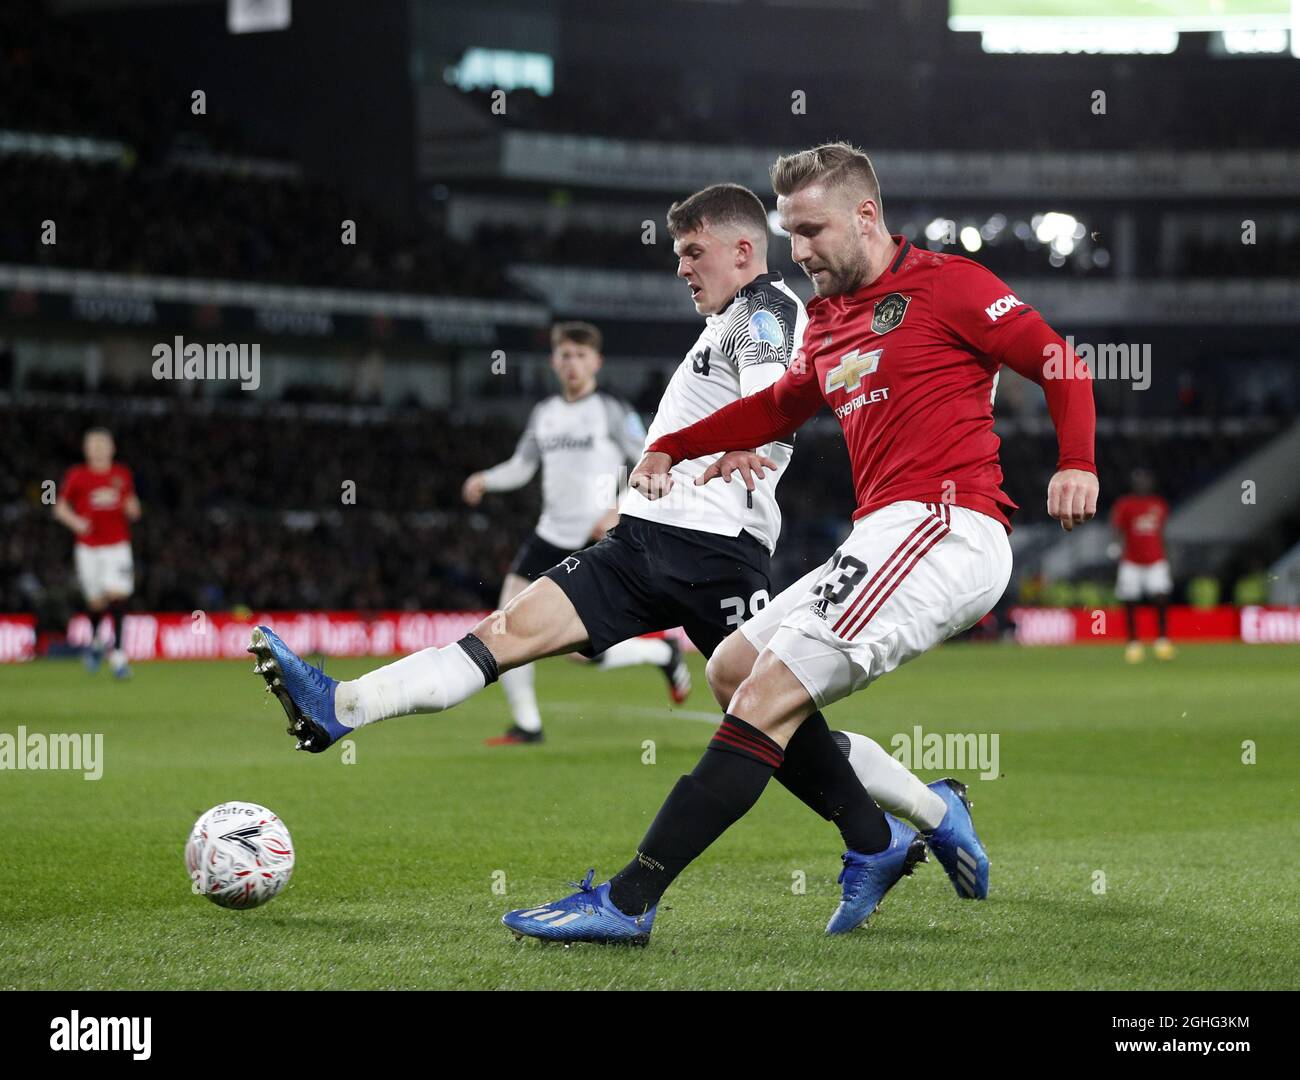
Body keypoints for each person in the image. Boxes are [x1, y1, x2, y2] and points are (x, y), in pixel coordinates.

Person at [248, 183, 988, 903]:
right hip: (642, 546)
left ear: (742, 249)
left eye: (692, 251)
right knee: (501, 635)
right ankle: (339, 705)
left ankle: (917, 817)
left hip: (711, 555)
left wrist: (747, 443)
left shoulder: (763, 308)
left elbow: (776, 394)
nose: (681, 267)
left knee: (785, 726)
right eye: (677, 253)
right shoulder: (726, 319)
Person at [502, 141, 1098, 943]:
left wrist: (1077, 462)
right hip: (884, 530)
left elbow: (1058, 358)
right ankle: (913, 820)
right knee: (732, 669)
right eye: (791, 236)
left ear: (866, 214)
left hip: (947, 526)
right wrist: (670, 445)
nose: (802, 252)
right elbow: (774, 408)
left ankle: (629, 899)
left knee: (767, 698)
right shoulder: (826, 322)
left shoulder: (948, 283)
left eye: (814, 231)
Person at [461, 320, 691, 745]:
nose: (573, 364)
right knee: (503, 623)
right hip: (548, 534)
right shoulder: (545, 414)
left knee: (579, 652)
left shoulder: (611, 410)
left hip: (593, 538)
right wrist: (486, 479)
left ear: (597, 362)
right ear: (554, 360)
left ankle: (661, 652)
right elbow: (522, 466)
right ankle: (527, 724)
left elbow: (649, 457)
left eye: (581, 356)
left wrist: (617, 507)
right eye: (565, 355)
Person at [54, 427, 141, 679]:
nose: (100, 448)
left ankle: (119, 655)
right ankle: (94, 644)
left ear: (112, 448)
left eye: (104, 444)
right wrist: (76, 523)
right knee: (96, 602)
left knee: (117, 594)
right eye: (94, 444)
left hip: (117, 545)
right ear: (86, 449)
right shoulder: (77, 475)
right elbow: (59, 507)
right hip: (88, 547)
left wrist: (134, 510)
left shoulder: (122, 474)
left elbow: (132, 506)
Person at [1110, 468, 1173, 662]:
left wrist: (1166, 554)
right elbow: (1117, 528)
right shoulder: (1125, 504)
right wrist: (1115, 546)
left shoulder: (1158, 504)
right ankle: (1133, 643)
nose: (1142, 485)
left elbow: (1162, 532)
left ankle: (1162, 640)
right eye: (1138, 481)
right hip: (1131, 560)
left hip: (1155, 559)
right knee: (1130, 601)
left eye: (1145, 481)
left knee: (1161, 598)